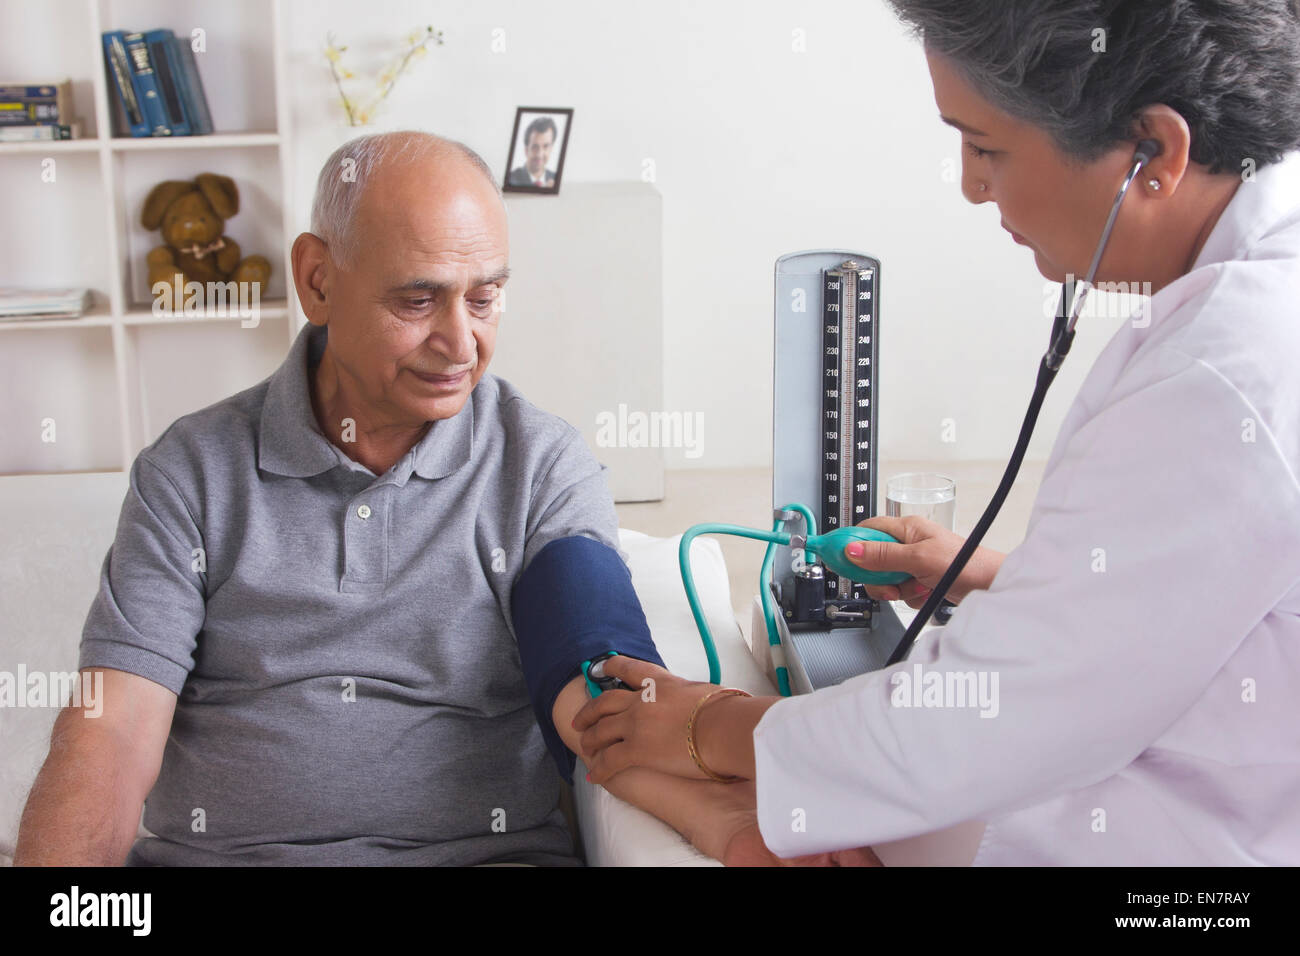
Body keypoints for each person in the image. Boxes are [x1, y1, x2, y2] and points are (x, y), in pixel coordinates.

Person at [575, 0, 1300, 865]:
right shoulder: (1247, 304)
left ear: (1154, 153)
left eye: (986, 146)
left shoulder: (1226, 375)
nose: (970, 184)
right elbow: (1212, 599)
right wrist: (1007, 581)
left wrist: (712, 726)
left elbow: (1006, 720)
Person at [13, 131, 861, 867]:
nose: (461, 343)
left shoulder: (540, 463)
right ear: (317, 280)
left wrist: (735, 808)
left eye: (485, 297)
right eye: (417, 300)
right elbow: (111, 733)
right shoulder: (189, 474)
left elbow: (597, 684)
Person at [507, 116, 559, 187]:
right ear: (526, 150)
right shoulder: (511, 180)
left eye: (546, 146)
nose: (539, 154)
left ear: (551, 149)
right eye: (535, 147)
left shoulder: (556, 179)